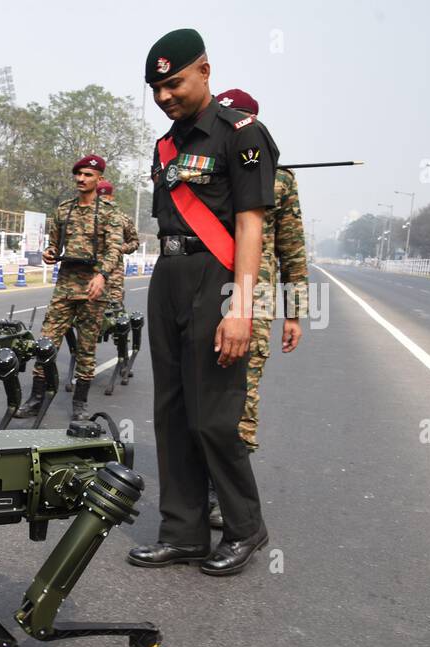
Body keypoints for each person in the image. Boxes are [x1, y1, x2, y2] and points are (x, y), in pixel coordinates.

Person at [125, 28, 278, 577]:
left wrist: (242, 306)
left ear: (205, 71)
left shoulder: (243, 134)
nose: (166, 96)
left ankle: (244, 526)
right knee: (171, 411)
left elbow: (250, 225)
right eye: (157, 89)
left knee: (214, 414)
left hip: (216, 276)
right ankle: (183, 532)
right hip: (168, 274)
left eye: (174, 83)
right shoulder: (166, 145)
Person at [214, 90, 305, 465]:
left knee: (242, 386)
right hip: (205, 283)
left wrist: (295, 313)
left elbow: (292, 248)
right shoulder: (207, 169)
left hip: (256, 295)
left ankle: (230, 482)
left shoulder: (280, 180)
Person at [18, 156, 123, 422]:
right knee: (45, 343)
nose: (81, 179)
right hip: (65, 285)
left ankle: (80, 402)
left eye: (87, 174)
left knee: (86, 348)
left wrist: (102, 276)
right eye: (78, 174)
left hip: (92, 288)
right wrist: (50, 253)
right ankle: (36, 398)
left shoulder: (110, 214)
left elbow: (115, 250)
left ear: (99, 179)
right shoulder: (64, 210)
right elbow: (54, 244)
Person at [96, 179, 139, 311]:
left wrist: (122, 248)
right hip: (91, 270)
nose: (104, 200)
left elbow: (134, 242)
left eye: (106, 197)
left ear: (112, 197)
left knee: (115, 309)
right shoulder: (89, 217)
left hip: (114, 273)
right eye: (101, 197)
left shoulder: (122, 218)